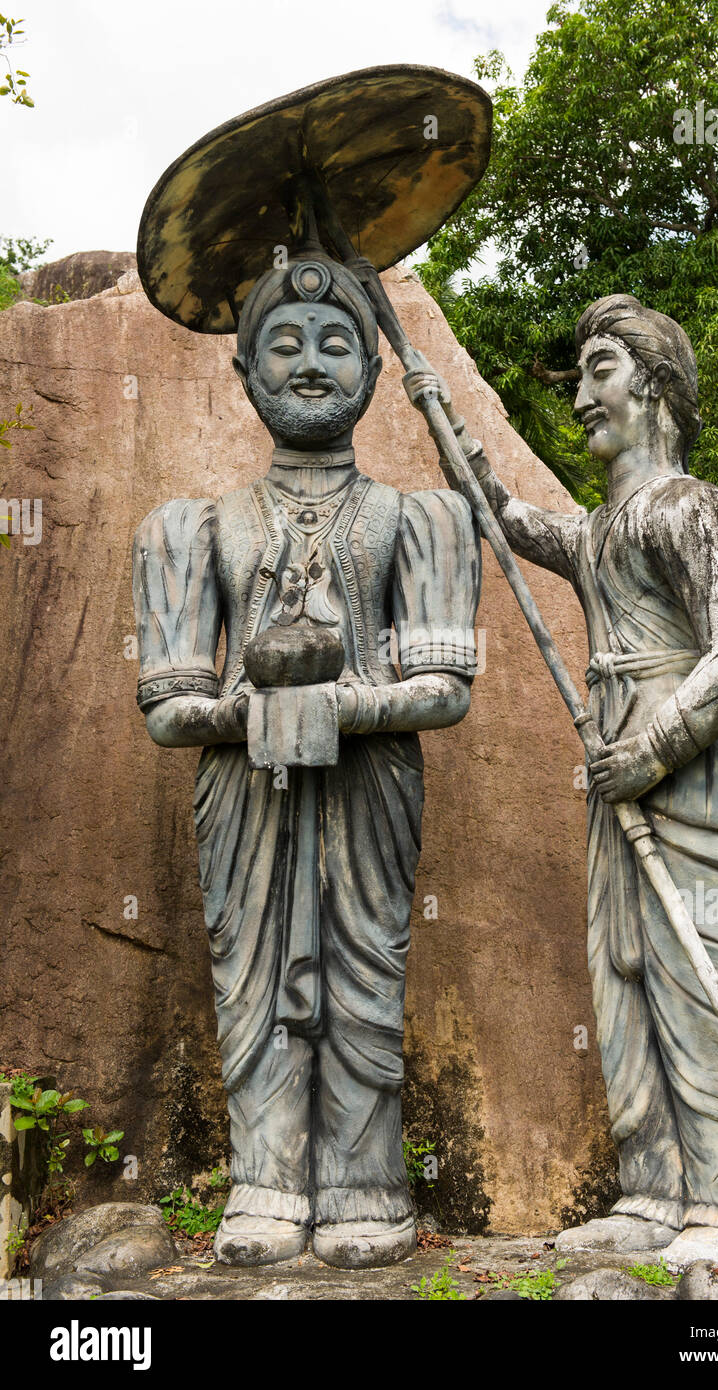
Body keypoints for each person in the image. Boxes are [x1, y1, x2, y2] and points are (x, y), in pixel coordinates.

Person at [404, 294, 718, 1263]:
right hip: (616, 776)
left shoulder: (689, 509)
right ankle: (657, 1190)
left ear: (654, 386)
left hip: (686, 776)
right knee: (623, 978)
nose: (580, 396)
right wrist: (444, 420)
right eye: (580, 375)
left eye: (600, 370)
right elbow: (505, 520)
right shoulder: (599, 529)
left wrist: (656, 745)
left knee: (694, 978)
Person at [132, 251, 480, 1269]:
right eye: (284, 344)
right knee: (254, 981)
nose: (312, 362)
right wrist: (256, 708)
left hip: (370, 785)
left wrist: (338, 701)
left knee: (364, 972)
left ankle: (369, 1185)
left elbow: (446, 689)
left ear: (376, 372)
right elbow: (168, 710)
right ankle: (267, 1183)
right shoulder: (192, 528)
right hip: (246, 790)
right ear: (244, 374)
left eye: (337, 343)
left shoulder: (422, 518)